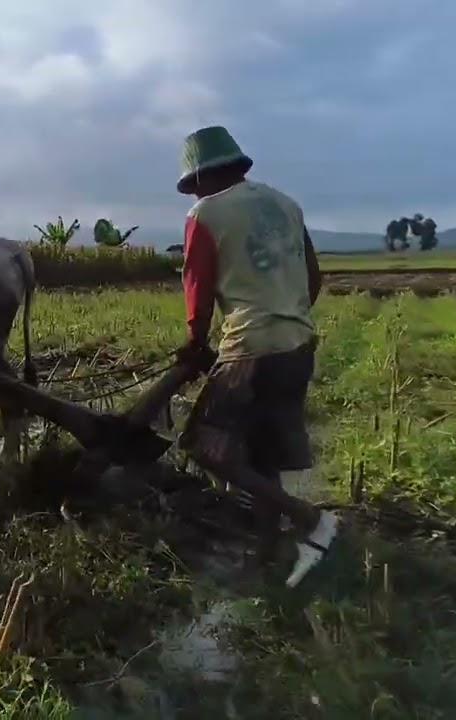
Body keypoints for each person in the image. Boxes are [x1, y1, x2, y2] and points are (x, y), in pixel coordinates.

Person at [171, 125, 339, 588]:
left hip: (252, 345)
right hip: (298, 343)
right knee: (263, 456)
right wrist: (288, 312)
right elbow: (313, 277)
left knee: (209, 450)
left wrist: (195, 343)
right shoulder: (286, 204)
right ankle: (268, 555)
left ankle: (311, 521)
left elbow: (197, 288)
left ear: (202, 178)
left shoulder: (204, 214)